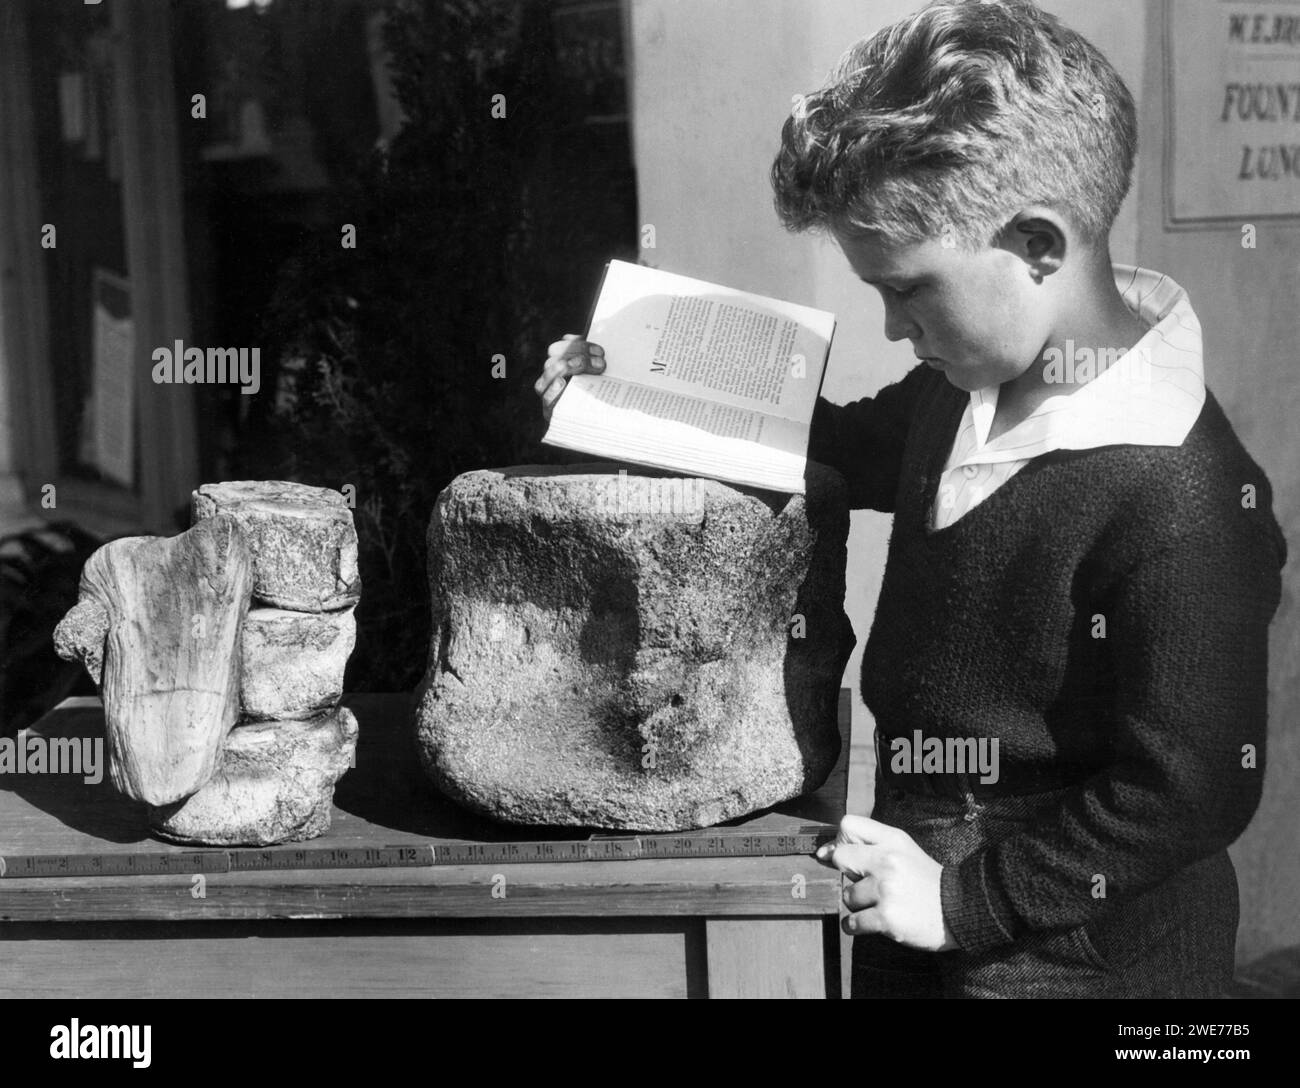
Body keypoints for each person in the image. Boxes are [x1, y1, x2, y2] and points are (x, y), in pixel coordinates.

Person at [533, 0, 1287, 998]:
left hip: (1073, 956)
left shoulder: (1183, 497)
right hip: (915, 879)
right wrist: (632, 378)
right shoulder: (965, 379)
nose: (891, 326)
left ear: (1037, 243)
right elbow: (842, 445)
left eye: (907, 288)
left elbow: (1190, 789)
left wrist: (965, 903)